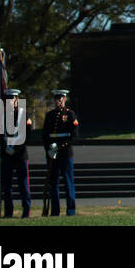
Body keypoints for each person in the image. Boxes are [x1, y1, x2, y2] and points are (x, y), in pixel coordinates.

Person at [0, 89, 34, 218]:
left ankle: (26, 211)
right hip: (6, 155)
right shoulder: (2, 116)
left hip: (20, 155)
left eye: (12, 99)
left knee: (23, 184)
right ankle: (8, 212)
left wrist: (16, 149)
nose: (10, 102)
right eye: (8, 99)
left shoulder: (24, 114)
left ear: (16, 100)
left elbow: (27, 136)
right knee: (7, 186)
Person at [43, 88, 79, 216]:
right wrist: (49, 149)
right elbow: (45, 135)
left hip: (65, 153)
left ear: (64, 99)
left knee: (68, 182)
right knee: (53, 183)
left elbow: (74, 135)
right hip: (52, 153)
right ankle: (55, 210)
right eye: (56, 98)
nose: (58, 101)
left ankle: (70, 210)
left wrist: (60, 147)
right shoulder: (50, 115)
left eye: (60, 98)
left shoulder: (70, 114)